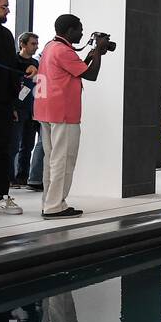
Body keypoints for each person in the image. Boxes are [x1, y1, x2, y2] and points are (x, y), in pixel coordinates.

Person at [35, 13, 110, 219]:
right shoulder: (63, 51)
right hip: (63, 112)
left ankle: (49, 202)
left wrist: (94, 52)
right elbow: (91, 74)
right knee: (63, 160)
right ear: (70, 31)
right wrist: (99, 53)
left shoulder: (51, 47)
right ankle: (55, 206)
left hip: (46, 110)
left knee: (51, 159)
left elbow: (79, 69)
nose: (82, 33)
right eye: (80, 29)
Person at [0, 0, 25, 215]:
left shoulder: (4, 34)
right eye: (4, 7)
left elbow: (11, 66)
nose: (8, 11)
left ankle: (2, 195)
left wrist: (13, 103)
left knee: (1, 150)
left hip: (0, 103)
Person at [10, 32, 39, 190]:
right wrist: (12, 107)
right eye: (33, 44)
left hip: (31, 109)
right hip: (17, 108)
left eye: (36, 44)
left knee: (27, 145)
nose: (35, 47)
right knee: (13, 145)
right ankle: (9, 178)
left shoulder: (36, 63)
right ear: (22, 44)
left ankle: (22, 177)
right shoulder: (13, 61)